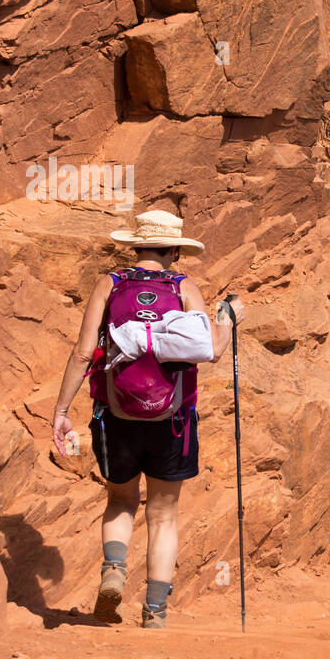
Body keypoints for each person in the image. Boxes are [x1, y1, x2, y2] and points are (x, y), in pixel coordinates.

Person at [51, 210, 244, 629]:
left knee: (120, 500)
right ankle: (155, 612)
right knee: (163, 514)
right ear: (174, 250)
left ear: (136, 246)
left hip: (115, 415)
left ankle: (114, 573)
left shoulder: (111, 283)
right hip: (172, 419)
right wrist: (228, 318)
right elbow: (210, 348)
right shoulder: (183, 286)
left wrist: (62, 411)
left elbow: (84, 353)